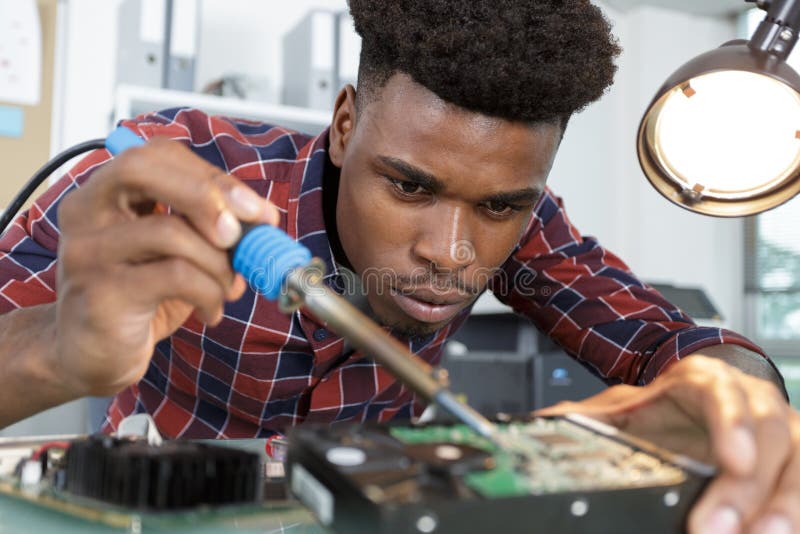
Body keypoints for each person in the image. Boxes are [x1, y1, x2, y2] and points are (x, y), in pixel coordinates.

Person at [0, 0, 798, 532]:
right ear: (346, 124)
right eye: (410, 186)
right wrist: (57, 349)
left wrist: (735, 395)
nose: (450, 253)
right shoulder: (175, 181)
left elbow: (670, 341)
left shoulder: (527, 227)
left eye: (499, 207)